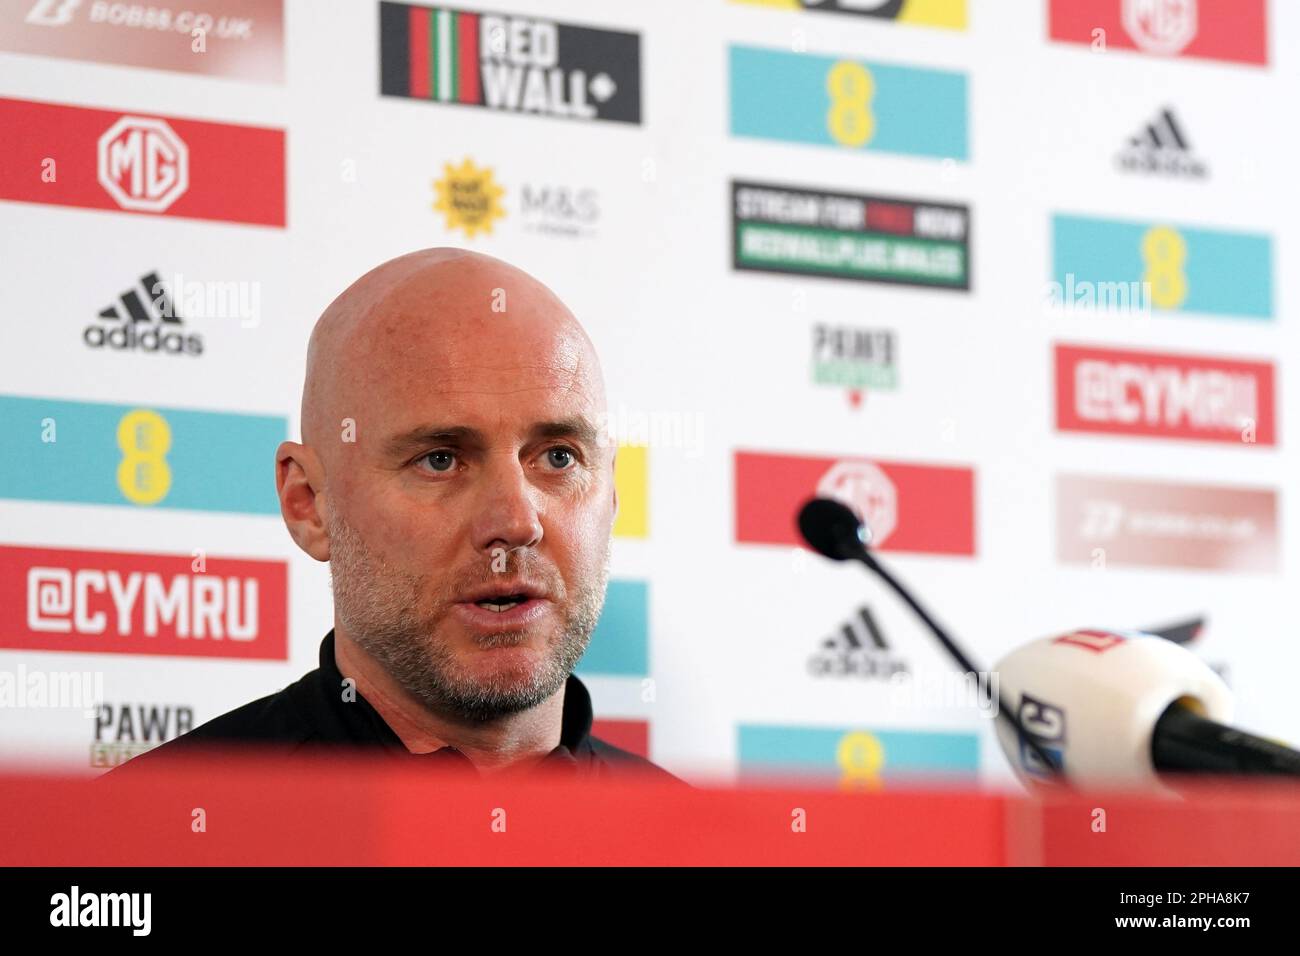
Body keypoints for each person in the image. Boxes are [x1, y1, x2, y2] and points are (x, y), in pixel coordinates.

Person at [111, 248, 680, 784]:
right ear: (308, 504)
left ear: (610, 490)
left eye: (559, 457)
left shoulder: (713, 850)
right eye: (440, 460)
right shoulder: (134, 839)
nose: (515, 521)